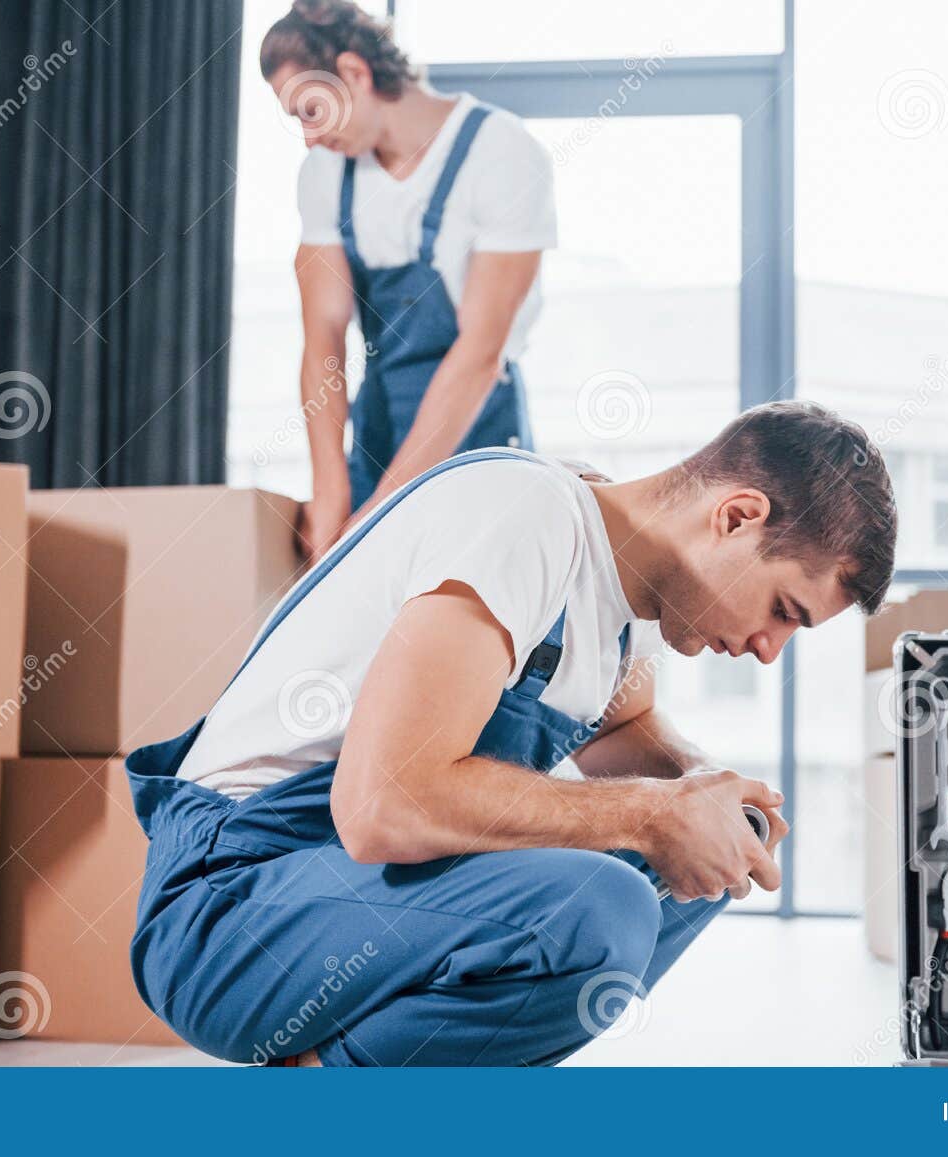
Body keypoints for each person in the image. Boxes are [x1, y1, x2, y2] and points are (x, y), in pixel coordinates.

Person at [125, 400, 899, 1067]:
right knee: (606, 907)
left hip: (338, 895)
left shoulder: (624, 595)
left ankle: (401, 1071)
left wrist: (705, 789)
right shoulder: (526, 516)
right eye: (784, 611)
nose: (770, 649)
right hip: (230, 908)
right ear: (737, 516)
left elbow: (625, 729)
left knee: (713, 846)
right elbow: (382, 808)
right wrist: (658, 811)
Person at [261, 0, 557, 560]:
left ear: (353, 72)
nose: (307, 137)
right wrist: (331, 489)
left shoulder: (500, 153)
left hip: (478, 428)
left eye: (309, 110)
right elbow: (323, 336)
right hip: (380, 424)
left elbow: (480, 353)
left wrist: (386, 507)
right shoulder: (327, 173)